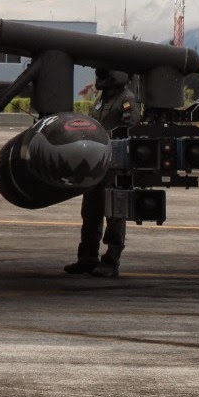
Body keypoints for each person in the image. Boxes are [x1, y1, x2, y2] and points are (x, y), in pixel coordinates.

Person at [65, 68, 140, 278]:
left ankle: (111, 260)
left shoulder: (127, 99)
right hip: (96, 164)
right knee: (90, 212)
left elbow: (130, 128)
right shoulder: (102, 99)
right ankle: (87, 258)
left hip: (115, 165)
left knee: (114, 213)